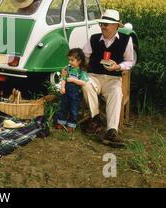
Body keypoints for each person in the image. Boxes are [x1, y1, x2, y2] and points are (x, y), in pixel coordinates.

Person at [81, 9, 135, 148]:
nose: (103, 26)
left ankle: (111, 131)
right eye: (102, 24)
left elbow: (129, 61)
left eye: (107, 24)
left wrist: (118, 67)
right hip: (94, 77)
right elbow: (83, 57)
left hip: (113, 79)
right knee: (86, 84)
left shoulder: (125, 40)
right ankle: (96, 118)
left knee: (117, 93)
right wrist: (80, 69)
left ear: (116, 26)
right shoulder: (93, 38)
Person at [55, 48, 89, 133]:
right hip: (66, 92)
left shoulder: (82, 71)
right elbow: (63, 78)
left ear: (79, 61)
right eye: (69, 60)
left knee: (74, 109)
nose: (70, 62)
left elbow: (84, 82)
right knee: (63, 107)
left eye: (72, 60)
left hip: (75, 94)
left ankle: (71, 124)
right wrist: (62, 87)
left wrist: (74, 80)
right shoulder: (68, 68)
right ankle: (61, 122)